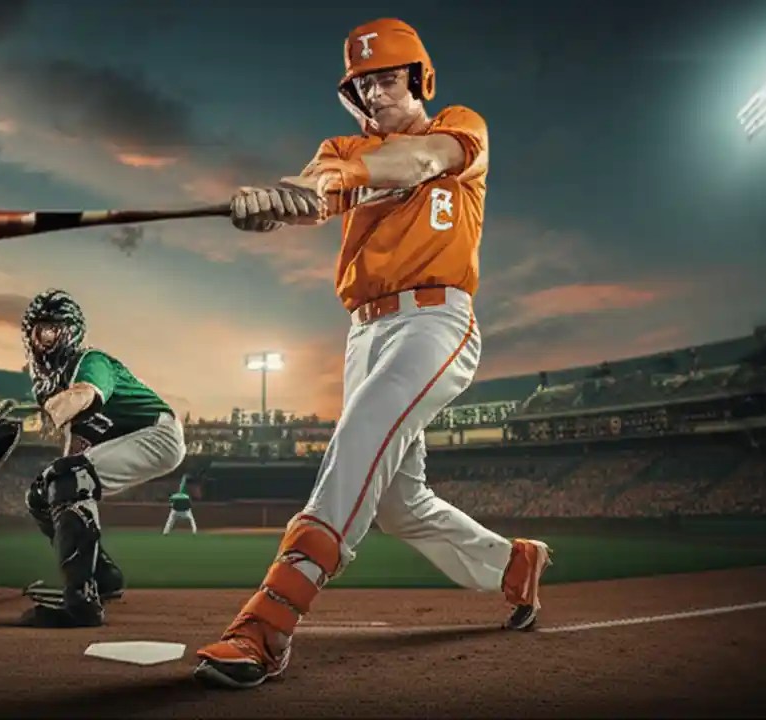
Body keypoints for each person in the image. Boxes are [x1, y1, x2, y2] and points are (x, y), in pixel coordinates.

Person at [192, 18, 553, 689]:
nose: (376, 93)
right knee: (399, 502)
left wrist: (334, 182)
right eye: (363, 84)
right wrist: (270, 205)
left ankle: (270, 621)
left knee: (359, 436)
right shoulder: (341, 147)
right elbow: (314, 191)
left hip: (436, 320)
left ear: (418, 78)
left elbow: (416, 162)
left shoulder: (459, 126)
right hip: (365, 330)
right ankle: (512, 565)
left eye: (388, 78)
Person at [17, 289, 187, 628]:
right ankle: (102, 577)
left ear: (70, 332)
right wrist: (58, 484)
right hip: (131, 438)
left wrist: (32, 415)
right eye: (36, 331)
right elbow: (76, 445)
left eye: (50, 329)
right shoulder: (54, 381)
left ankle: (81, 602)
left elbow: (86, 395)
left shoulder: (89, 361)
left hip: (158, 434)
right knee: (43, 492)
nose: (40, 340)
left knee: (66, 480)